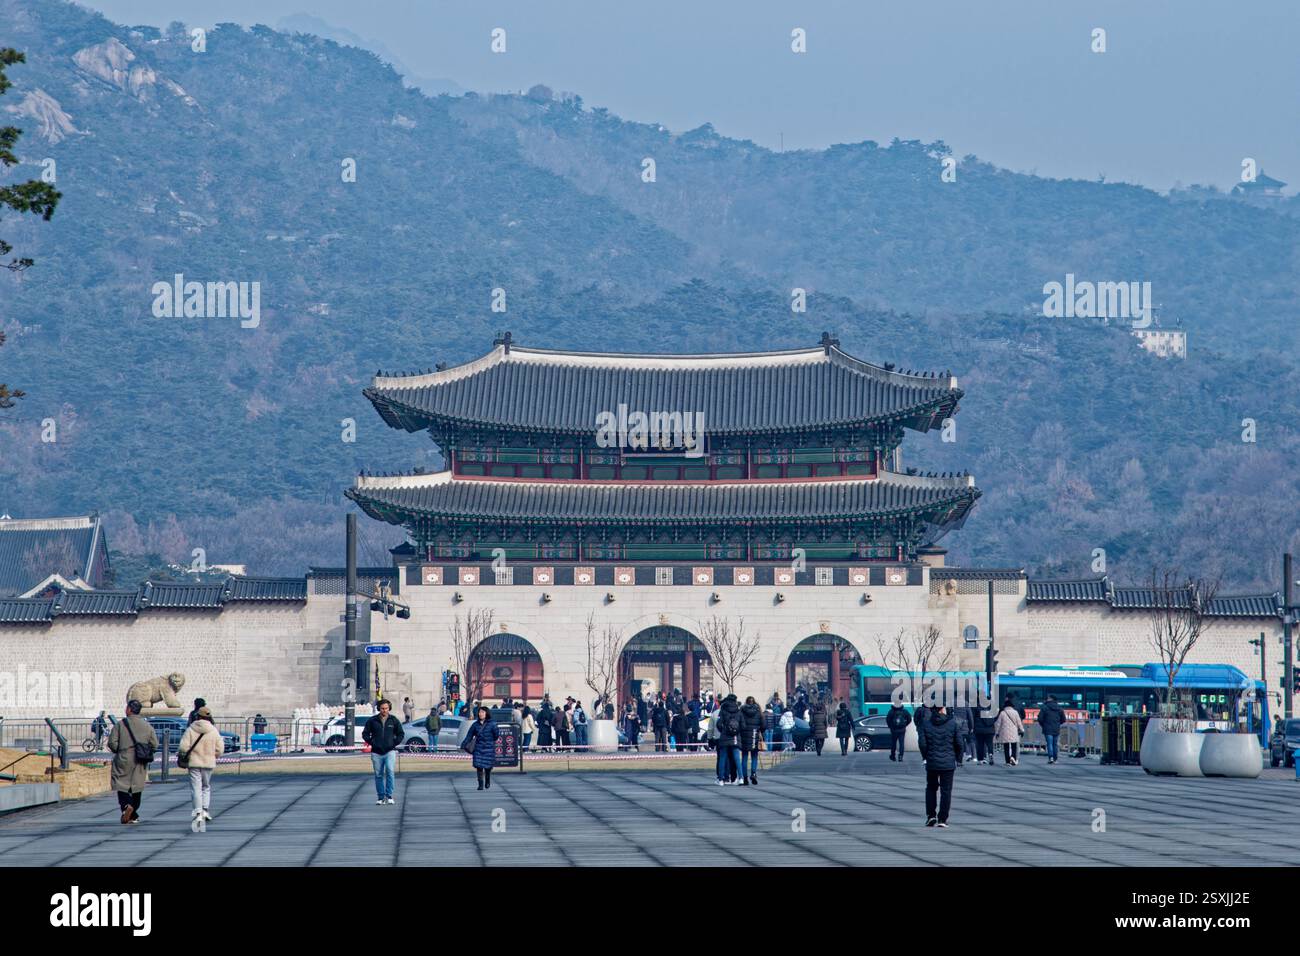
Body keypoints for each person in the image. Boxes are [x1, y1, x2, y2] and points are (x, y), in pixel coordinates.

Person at [107, 699, 158, 824]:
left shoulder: (120, 724)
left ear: (129, 709)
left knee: (121, 784)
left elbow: (112, 743)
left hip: (124, 757)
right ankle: (133, 813)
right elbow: (155, 744)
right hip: (140, 759)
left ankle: (126, 807)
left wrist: (119, 750)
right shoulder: (147, 725)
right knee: (137, 786)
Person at [920, 704, 963, 828]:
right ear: (942, 709)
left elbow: (922, 743)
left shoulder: (926, 724)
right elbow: (959, 743)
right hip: (948, 763)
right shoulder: (952, 724)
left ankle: (931, 816)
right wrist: (958, 759)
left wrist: (925, 757)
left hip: (932, 762)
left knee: (931, 788)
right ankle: (942, 819)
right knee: (946, 791)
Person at [178, 705, 222, 825]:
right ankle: (205, 810)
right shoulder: (213, 730)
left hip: (194, 762)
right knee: (206, 786)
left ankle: (198, 812)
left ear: (198, 716)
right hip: (208, 762)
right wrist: (214, 755)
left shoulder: (191, 729)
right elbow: (220, 748)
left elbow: (183, 747)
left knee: (196, 788)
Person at [362, 698, 404, 804]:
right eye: (382, 708)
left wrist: (394, 743)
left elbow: (401, 733)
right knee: (378, 774)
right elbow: (365, 734)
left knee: (390, 771)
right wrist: (372, 742)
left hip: (390, 751)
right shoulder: (372, 721)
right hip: (376, 752)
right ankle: (381, 797)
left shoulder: (393, 720)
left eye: (386, 708)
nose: (384, 710)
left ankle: (389, 796)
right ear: (378, 709)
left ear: (389, 708)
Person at [465, 706, 500, 790]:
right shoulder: (475, 724)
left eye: (482, 712)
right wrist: (465, 744)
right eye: (480, 712)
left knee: (488, 767)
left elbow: (496, 735)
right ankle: (480, 784)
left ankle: (487, 780)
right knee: (479, 767)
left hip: (489, 748)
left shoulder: (492, 724)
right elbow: (469, 735)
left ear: (487, 713)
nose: (480, 714)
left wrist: (489, 741)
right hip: (478, 748)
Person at [714, 694, 743, 784]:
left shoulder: (723, 710)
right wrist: (737, 731)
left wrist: (723, 730)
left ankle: (721, 779)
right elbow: (743, 725)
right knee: (737, 758)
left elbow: (718, 724)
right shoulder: (738, 711)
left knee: (722, 758)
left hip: (725, 736)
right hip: (735, 737)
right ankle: (741, 778)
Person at [738, 695, 764, 785]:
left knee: (744, 757)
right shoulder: (758, 710)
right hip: (754, 735)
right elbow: (763, 725)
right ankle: (753, 773)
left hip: (744, 736)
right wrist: (759, 731)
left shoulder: (742, 710)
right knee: (754, 756)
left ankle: (744, 777)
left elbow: (739, 722)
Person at [994, 696, 1026, 765]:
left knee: (1006, 747)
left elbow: (998, 723)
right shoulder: (1015, 712)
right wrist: (1022, 730)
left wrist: (997, 732)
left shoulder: (1002, 713)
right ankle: (1013, 757)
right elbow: (1019, 722)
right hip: (1014, 732)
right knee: (1014, 745)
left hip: (1005, 732)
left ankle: (1007, 761)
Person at [1037, 694, 1067, 764]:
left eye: (1048, 698)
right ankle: (1055, 759)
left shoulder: (1044, 707)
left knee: (1049, 744)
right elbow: (1064, 719)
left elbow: (1040, 718)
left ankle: (1051, 758)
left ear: (1050, 699)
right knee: (1055, 744)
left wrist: (1043, 725)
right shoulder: (1059, 708)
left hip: (1047, 728)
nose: (1046, 699)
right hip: (1056, 728)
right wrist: (1058, 724)